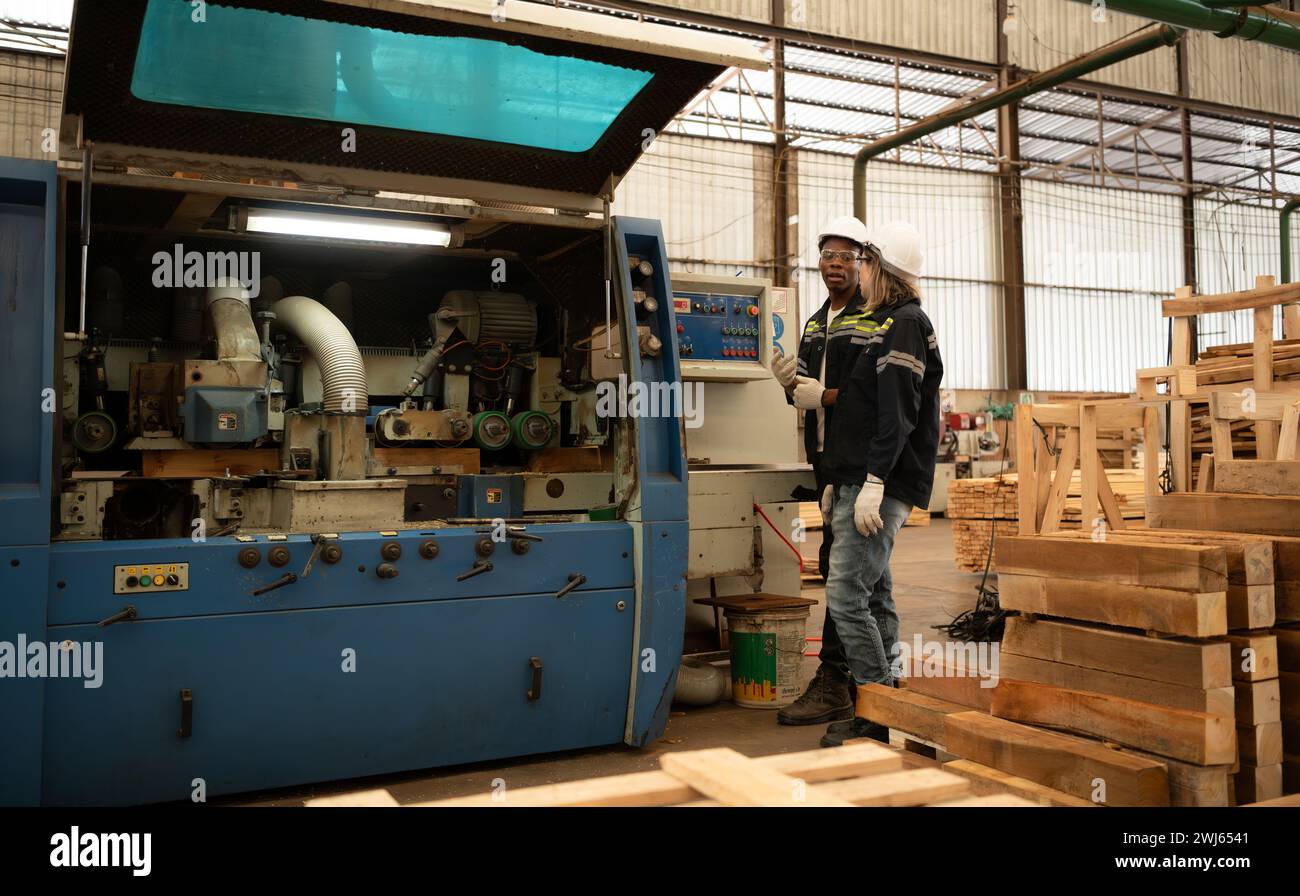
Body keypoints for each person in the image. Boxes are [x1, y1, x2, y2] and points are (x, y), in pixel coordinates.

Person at [796, 221, 944, 747]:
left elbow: (897, 413)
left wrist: (876, 481)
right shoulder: (888, 323)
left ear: (884, 270)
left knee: (844, 592)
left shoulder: (904, 323)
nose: (858, 269)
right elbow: (859, 407)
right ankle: (889, 698)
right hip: (855, 475)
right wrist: (839, 476)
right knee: (875, 592)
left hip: (879, 479)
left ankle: (876, 705)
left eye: (866, 261)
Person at [770, 215, 875, 727]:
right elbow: (805, 394)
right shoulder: (813, 322)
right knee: (861, 578)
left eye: (846, 257)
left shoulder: (875, 319)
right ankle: (872, 682)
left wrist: (825, 396)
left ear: (863, 262)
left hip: (856, 465)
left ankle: (838, 681)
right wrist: (787, 383)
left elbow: (876, 396)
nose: (835, 265)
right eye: (828, 256)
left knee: (843, 576)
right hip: (826, 464)